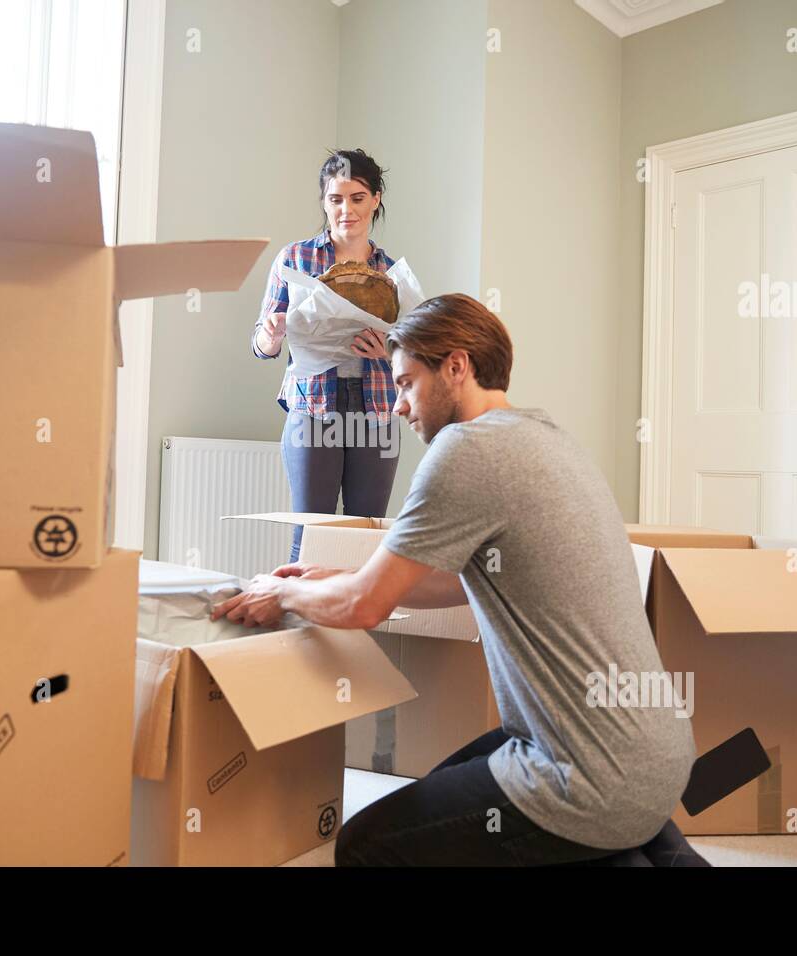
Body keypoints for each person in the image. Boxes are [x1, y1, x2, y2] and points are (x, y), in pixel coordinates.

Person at [215, 293, 697, 865]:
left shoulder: (465, 452)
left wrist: (284, 591)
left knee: (368, 846)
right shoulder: (545, 438)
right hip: (656, 756)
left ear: (457, 366)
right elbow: (466, 578)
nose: (397, 405)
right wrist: (352, 573)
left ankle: (609, 832)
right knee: (450, 794)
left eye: (405, 383)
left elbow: (365, 608)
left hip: (585, 772)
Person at [252, 148, 402, 562]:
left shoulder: (391, 273)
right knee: (311, 538)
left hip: (376, 410)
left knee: (367, 538)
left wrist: (388, 354)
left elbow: (410, 353)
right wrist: (271, 333)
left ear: (375, 198)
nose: (346, 210)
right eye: (335, 199)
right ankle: (303, 626)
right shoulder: (294, 258)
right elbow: (262, 346)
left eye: (357, 198)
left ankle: (355, 627)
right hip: (312, 406)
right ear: (324, 201)